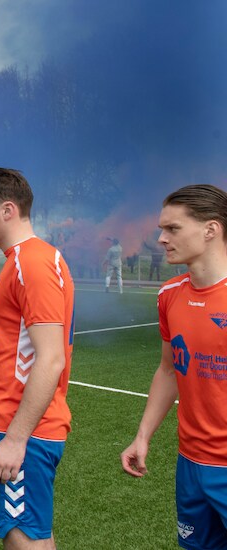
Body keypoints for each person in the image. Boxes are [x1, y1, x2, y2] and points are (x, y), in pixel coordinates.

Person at [0, 168, 74, 549]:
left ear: (7, 210)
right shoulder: (24, 259)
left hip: (21, 428)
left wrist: (15, 438)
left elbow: (51, 358)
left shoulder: (31, 264)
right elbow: (36, 339)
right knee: (25, 533)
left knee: (25, 540)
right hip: (10, 424)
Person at [120, 184, 227, 550]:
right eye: (161, 229)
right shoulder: (169, 294)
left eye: (173, 229)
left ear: (211, 230)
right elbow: (169, 370)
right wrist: (143, 435)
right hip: (191, 463)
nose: (161, 239)